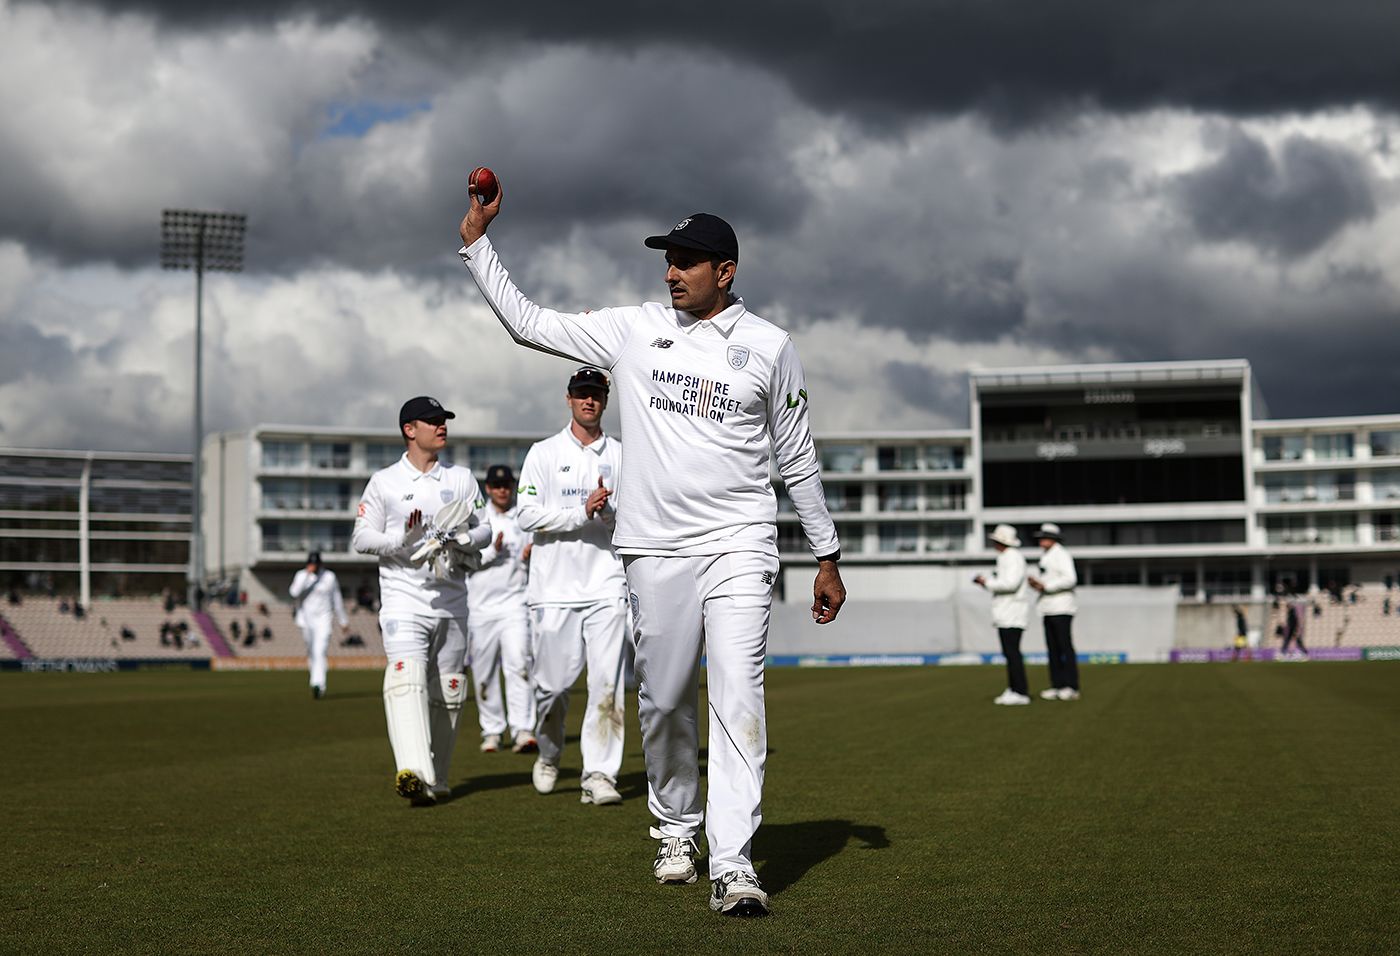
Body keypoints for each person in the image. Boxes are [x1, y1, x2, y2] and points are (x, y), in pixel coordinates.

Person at [459, 188, 847, 917]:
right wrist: (479, 244)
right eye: (669, 261)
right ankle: (676, 828)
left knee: (738, 698)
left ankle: (735, 865)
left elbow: (797, 456)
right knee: (665, 701)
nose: (672, 273)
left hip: (739, 543)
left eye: (687, 262)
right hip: (653, 548)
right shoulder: (633, 330)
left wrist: (826, 555)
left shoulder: (769, 346)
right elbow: (528, 325)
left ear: (726, 271)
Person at [352, 395, 492, 805]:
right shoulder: (384, 482)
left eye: (444, 420)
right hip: (403, 600)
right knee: (406, 677)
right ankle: (413, 770)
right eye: (432, 421)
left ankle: (438, 778)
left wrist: (459, 537)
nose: (441, 426)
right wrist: (401, 542)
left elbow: (483, 529)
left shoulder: (461, 478)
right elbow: (361, 537)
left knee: (448, 690)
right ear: (409, 430)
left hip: (452, 600)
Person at [515, 369, 628, 805]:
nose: (589, 401)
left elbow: (632, 519)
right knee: (553, 687)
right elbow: (527, 516)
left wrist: (607, 513)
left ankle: (599, 773)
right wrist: (580, 512)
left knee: (606, 684)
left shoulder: (621, 454)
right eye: (582, 394)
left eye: (596, 395)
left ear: (604, 400)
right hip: (553, 588)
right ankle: (548, 751)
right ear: (568, 399)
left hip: (606, 583)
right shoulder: (544, 453)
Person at [465, 463, 538, 755]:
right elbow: (468, 560)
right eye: (497, 486)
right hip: (480, 607)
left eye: (506, 485)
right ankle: (492, 731)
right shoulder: (477, 520)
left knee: (519, 664)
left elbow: (533, 557)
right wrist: (492, 551)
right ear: (488, 489)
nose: (502, 490)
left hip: (514, 605)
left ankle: (522, 729)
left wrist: (531, 555)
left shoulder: (523, 518)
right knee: (484, 673)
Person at [974, 524, 1031, 705]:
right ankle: (1014, 688)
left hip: (1012, 612)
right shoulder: (1006, 557)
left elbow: (1010, 583)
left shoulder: (1012, 557)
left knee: (1012, 652)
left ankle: (1020, 691)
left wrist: (987, 582)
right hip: (1006, 611)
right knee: (1009, 652)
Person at [1028, 522, 1079, 701]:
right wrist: (1038, 585)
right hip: (1048, 608)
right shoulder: (1047, 556)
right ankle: (1057, 685)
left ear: (1053, 538)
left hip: (1062, 607)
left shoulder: (1061, 554)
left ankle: (1071, 686)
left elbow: (1070, 579)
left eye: (1044, 537)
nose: (1041, 540)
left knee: (1064, 647)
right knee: (1052, 648)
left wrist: (1046, 586)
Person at [289, 551, 350, 699]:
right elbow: (294, 592)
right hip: (306, 619)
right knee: (311, 651)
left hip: (324, 618)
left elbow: (336, 598)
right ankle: (315, 679)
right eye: (311, 564)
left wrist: (343, 620)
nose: (313, 567)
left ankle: (318, 684)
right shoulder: (301, 575)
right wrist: (307, 577)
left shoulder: (329, 577)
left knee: (320, 650)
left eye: (315, 564)